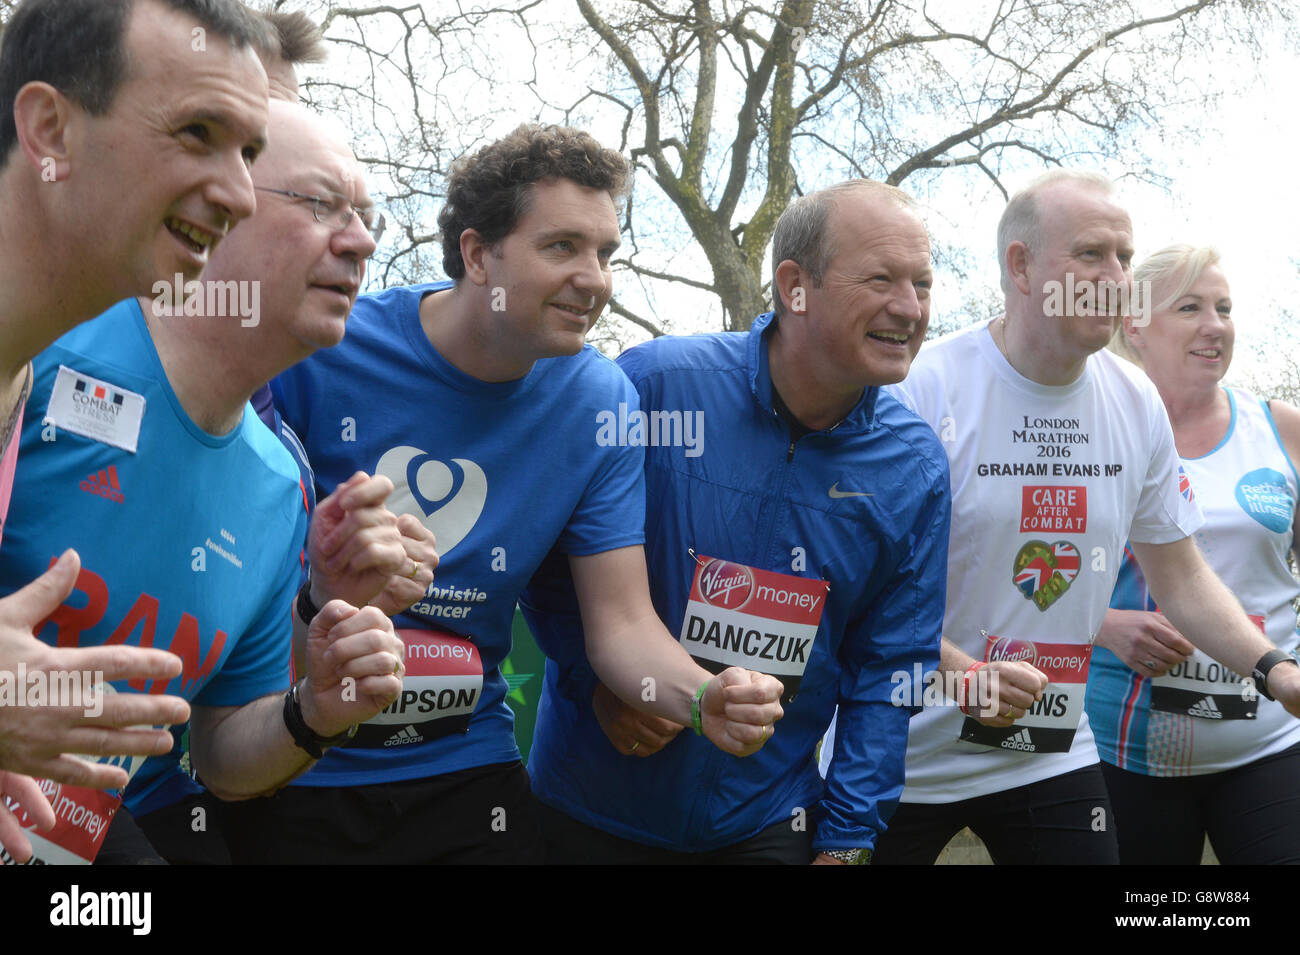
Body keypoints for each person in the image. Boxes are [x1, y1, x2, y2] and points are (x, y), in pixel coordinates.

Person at [238, 123, 785, 864]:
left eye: (605, 252)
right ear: (476, 254)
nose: (594, 278)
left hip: (465, 767)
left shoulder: (602, 402)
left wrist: (698, 697)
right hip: (290, 754)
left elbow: (621, 624)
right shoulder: (322, 346)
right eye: (562, 246)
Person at [0, 98, 425, 866]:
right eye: (323, 203)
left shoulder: (280, 484)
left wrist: (314, 709)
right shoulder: (46, 341)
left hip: (62, 837)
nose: (361, 242)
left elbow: (224, 753)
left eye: (368, 217)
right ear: (216, 206)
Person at [852, 170, 1300, 865]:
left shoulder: (1133, 402)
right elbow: (860, 586)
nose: (1116, 274)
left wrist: (1274, 669)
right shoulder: (922, 390)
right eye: (1091, 253)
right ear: (1021, 266)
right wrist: (960, 675)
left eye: (1125, 256)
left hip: (1047, 752)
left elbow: (1180, 577)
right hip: (898, 747)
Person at [519, 180, 950, 864]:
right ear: (794, 285)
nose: (910, 307)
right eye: (881, 280)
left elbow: (890, 666)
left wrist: (847, 838)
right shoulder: (656, 386)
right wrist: (597, 682)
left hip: (763, 820)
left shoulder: (915, 466)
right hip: (588, 803)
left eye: (923, 284)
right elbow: (545, 561)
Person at [0, 0, 272, 864]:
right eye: (198, 132)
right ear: (51, 130)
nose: (239, 194)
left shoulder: (23, 368)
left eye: (250, 154)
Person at [1086, 245, 1300, 863]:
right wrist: (1103, 626)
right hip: (1124, 751)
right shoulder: (1089, 430)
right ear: (1134, 326)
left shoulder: (1280, 429)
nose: (1215, 325)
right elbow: (1017, 575)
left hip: (1270, 739)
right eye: (1190, 307)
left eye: (1224, 308)